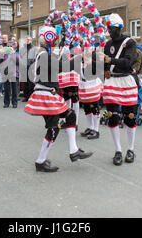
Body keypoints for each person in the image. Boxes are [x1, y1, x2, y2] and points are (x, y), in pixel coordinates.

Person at [24, 25, 92, 172]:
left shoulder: (45, 53)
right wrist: (79, 59)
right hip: (45, 95)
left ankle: (73, 150)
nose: (55, 40)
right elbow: (62, 67)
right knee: (53, 129)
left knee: (70, 115)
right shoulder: (43, 54)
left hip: (50, 94)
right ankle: (40, 161)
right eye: (54, 38)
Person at [102, 14, 139, 166]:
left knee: (130, 116)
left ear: (118, 28)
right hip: (111, 81)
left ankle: (130, 149)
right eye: (108, 28)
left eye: (111, 28)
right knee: (112, 116)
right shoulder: (107, 43)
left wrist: (110, 60)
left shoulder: (129, 42)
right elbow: (104, 65)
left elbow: (128, 62)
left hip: (125, 81)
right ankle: (118, 150)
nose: (108, 31)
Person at [78, 47, 102, 140]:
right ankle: (90, 127)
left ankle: (96, 130)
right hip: (84, 86)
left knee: (94, 107)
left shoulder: (94, 61)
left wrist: (91, 62)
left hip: (92, 86)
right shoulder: (81, 62)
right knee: (87, 108)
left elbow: (99, 69)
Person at [19, 35, 37, 102]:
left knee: (31, 83)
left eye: (28, 39)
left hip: (31, 68)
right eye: (26, 39)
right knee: (25, 83)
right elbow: (20, 58)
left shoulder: (34, 48)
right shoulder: (22, 49)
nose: (27, 41)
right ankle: (25, 96)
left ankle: (31, 97)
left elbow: (35, 58)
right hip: (24, 67)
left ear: (31, 40)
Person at [2, 41, 20, 108]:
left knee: (14, 89)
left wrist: (13, 53)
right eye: (8, 46)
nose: (9, 48)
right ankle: (6, 103)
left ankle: (14, 103)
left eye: (11, 46)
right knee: (6, 89)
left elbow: (19, 61)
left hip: (14, 73)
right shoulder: (4, 54)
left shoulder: (16, 53)